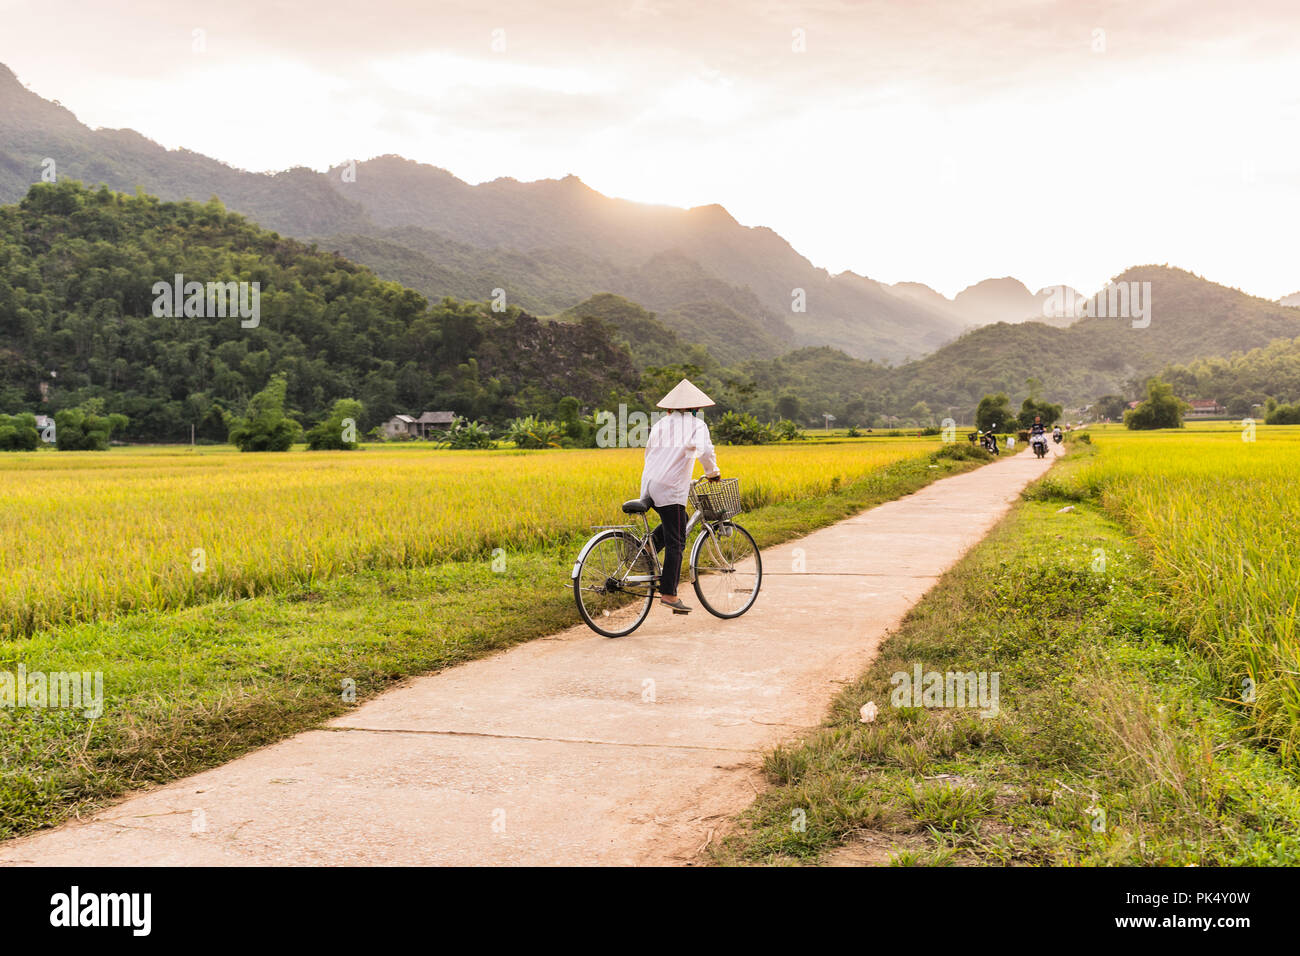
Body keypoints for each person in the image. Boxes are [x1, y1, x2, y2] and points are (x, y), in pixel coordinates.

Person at [639, 378, 721, 614]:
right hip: (671, 487)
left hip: (651, 484)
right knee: (677, 542)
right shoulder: (697, 426)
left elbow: (650, 453)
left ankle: (649, 547)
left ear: (671, 407)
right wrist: (713, 473)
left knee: (680, 520)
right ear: (695, 407)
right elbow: (705, 452)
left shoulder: (660, 424)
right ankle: (669, 594)